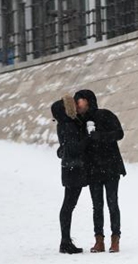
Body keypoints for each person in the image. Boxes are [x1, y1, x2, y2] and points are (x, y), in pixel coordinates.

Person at [74, 89, 126, 253]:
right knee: (97, 206)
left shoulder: (105, 115)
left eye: (79, 101)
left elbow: (119, 133)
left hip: (111, 167)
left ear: (88, 100)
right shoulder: (79, 122)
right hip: (93, 169)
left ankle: (115, 239)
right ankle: (99, 240)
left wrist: (99, 136)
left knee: (112, 203)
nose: (77, 105)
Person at [51, 94, 89, 254]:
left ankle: (65, 240)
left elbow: (64, 148)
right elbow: (74, 148)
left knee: (68, 205)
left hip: (70, 168)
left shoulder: (65, 124)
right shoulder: (68, 125)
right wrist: (89, 138)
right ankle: (65, 241)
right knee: (68, 205)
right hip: (74, 169)